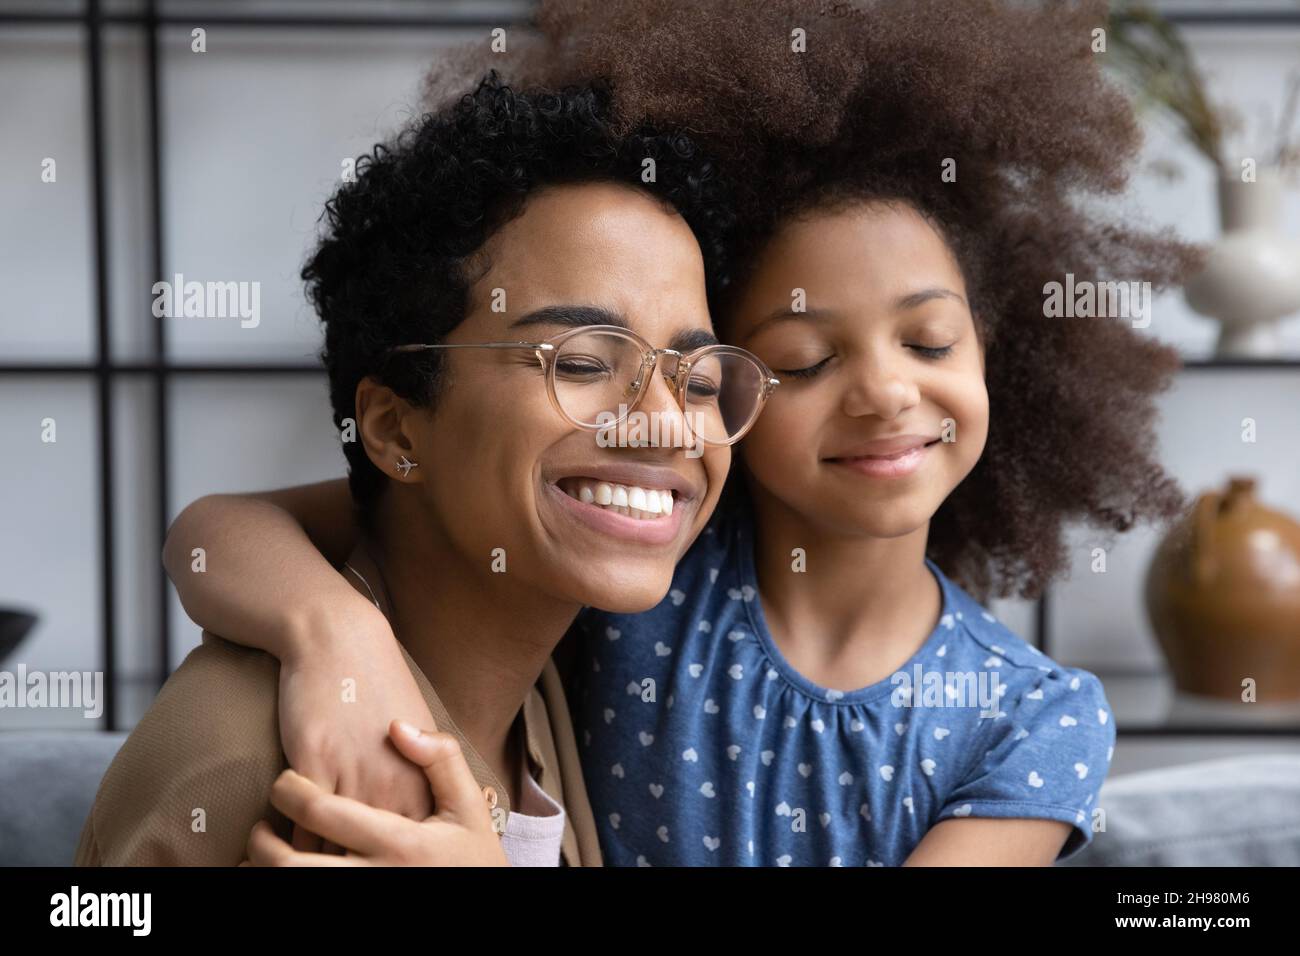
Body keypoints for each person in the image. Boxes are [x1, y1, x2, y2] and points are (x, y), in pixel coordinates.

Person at [159, 0, 1196, 866]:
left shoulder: (1036, 716)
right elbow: (227, 530)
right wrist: (329, 631)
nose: (884, 392)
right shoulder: (630, 563)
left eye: (929, 339)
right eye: (796, 360)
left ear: (1004, 356)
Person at [73, 73, 779, 866]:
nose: (663, 422)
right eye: (581, 362)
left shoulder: (554, 689)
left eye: (703, 380)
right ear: (394, 426)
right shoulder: (241, 757)